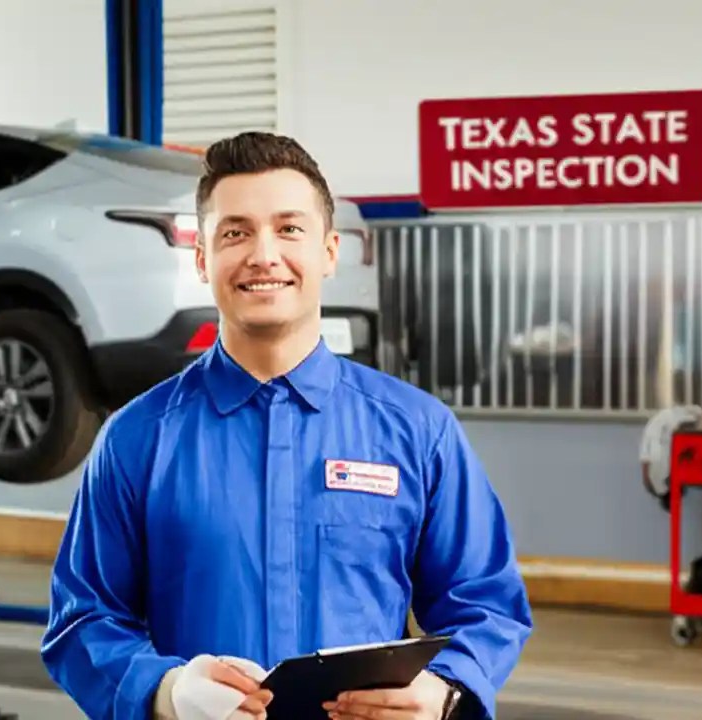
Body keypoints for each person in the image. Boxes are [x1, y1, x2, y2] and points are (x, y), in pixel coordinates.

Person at [40, 131, 533, 720]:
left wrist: (445, 689)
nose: (262, 254)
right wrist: (166, 691)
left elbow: (484, 602)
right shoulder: (136, 439)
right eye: (235, 232)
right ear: (203, 259)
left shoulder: (418, 430)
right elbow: (83, 620)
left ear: (329, 251)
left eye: (289, 229)